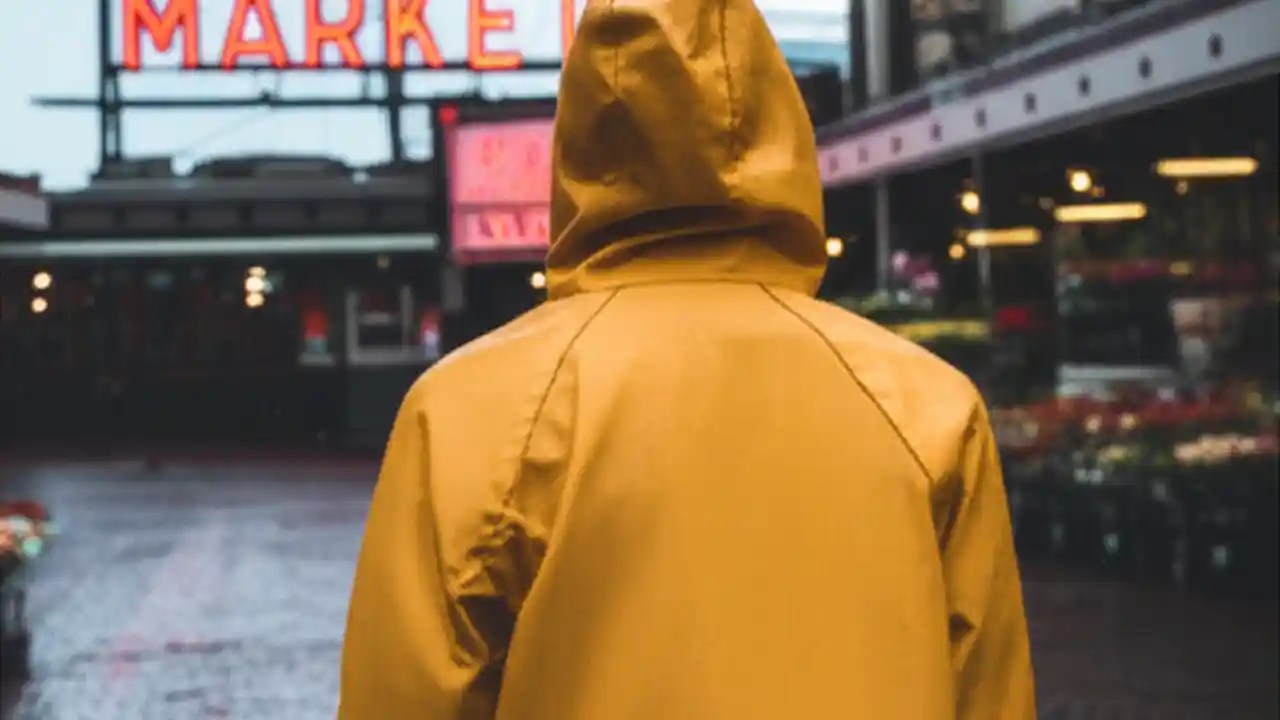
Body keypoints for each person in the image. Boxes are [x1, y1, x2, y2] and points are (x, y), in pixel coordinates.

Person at [339, 0, 1036, 717]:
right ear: (780, 126)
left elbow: (403, 698)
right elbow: (990, 697)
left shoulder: (467, 409)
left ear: (580, 141)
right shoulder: (925, 405)